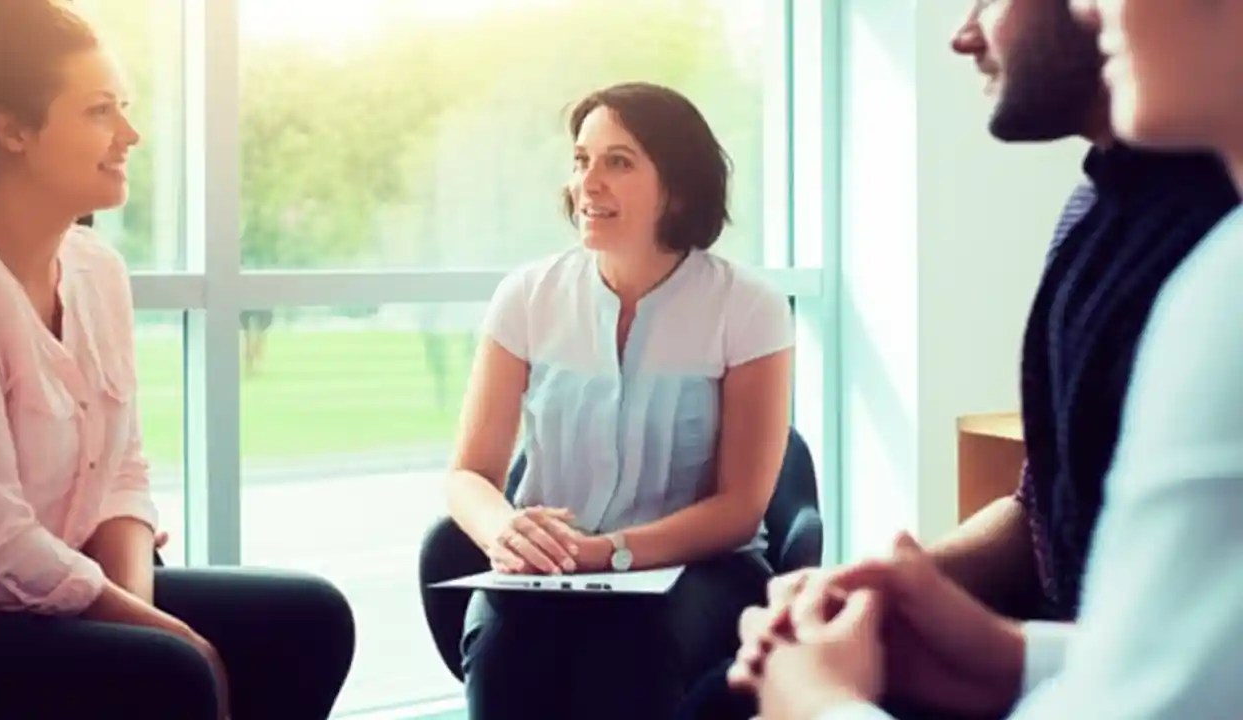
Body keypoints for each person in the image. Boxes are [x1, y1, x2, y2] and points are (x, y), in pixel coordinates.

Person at [678, 0, 1240, 717]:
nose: (961, 34)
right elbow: (1058, 519)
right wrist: (997, 651)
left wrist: (816, 703)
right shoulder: (1106, 213)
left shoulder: (1213, 273)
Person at [0, 2, 355, 718]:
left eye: (127, 108)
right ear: (12, 128)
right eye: (99, 112)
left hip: (68, 583)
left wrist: (137, 609)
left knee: (309, 620)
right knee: (170, 673)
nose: (131, 135)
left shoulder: (97, 270)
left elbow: (123, 472)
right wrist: (166, 637)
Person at [443, 81, 794, 720]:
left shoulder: (748, 307)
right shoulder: (527, 296)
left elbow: (740, 509)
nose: (589, 182)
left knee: (624, 648)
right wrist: (508, 533)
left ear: (679, 187)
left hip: (701, 571)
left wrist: (608, 552)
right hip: (546, 574)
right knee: (506, 651)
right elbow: (469, 473)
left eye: (619, 161)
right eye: (581, 160)